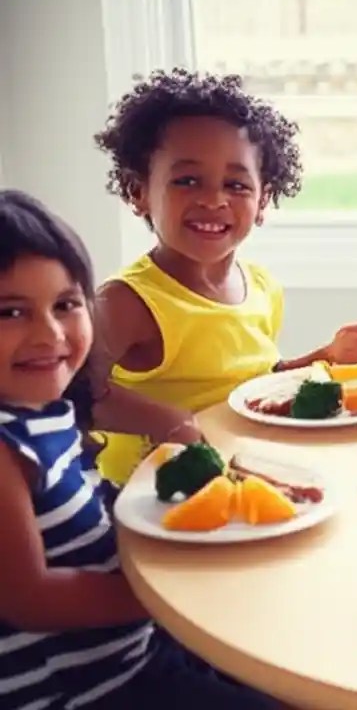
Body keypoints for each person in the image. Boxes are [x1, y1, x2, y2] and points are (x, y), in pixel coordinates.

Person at [0, 190, 279, 709]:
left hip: (135, 648)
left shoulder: (43, 413)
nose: (50, 333)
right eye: (11, 312)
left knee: (280, 651)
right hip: (92, 692)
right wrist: (173, 598)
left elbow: (89, 514)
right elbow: (29, 598)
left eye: (65, 304)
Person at [92, 68, 357, 487]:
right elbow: (66, 389)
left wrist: (326, 358)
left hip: (240, 481)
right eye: (187, 180)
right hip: (150, 501)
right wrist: (164, 419)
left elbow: (256, 384)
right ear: (137, 191)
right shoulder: (128, 301)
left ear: (263, 198)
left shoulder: (261, 287)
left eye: (236, 184)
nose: (214, 200)